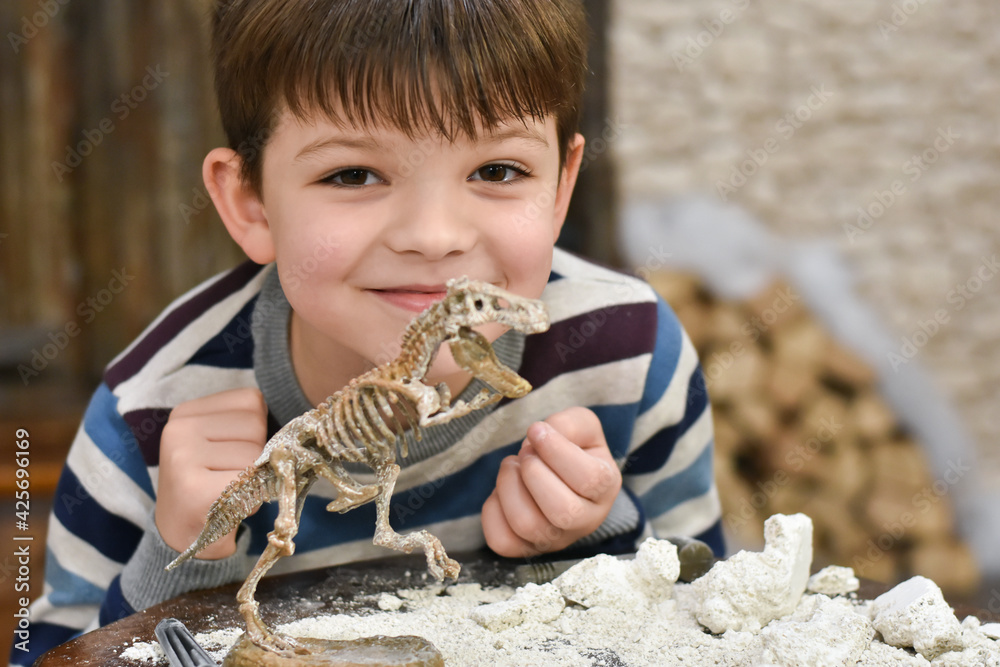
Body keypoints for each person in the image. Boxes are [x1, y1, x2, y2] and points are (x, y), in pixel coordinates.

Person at [13, 1, 722, 663]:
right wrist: (182, 553)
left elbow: (719, 617)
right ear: (251, 202)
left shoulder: (633, 356)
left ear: (562, 187)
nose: (433, 237)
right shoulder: (145, 418)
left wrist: (603, 538)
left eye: (498, 169)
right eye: (353, 174)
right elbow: (51, 653)